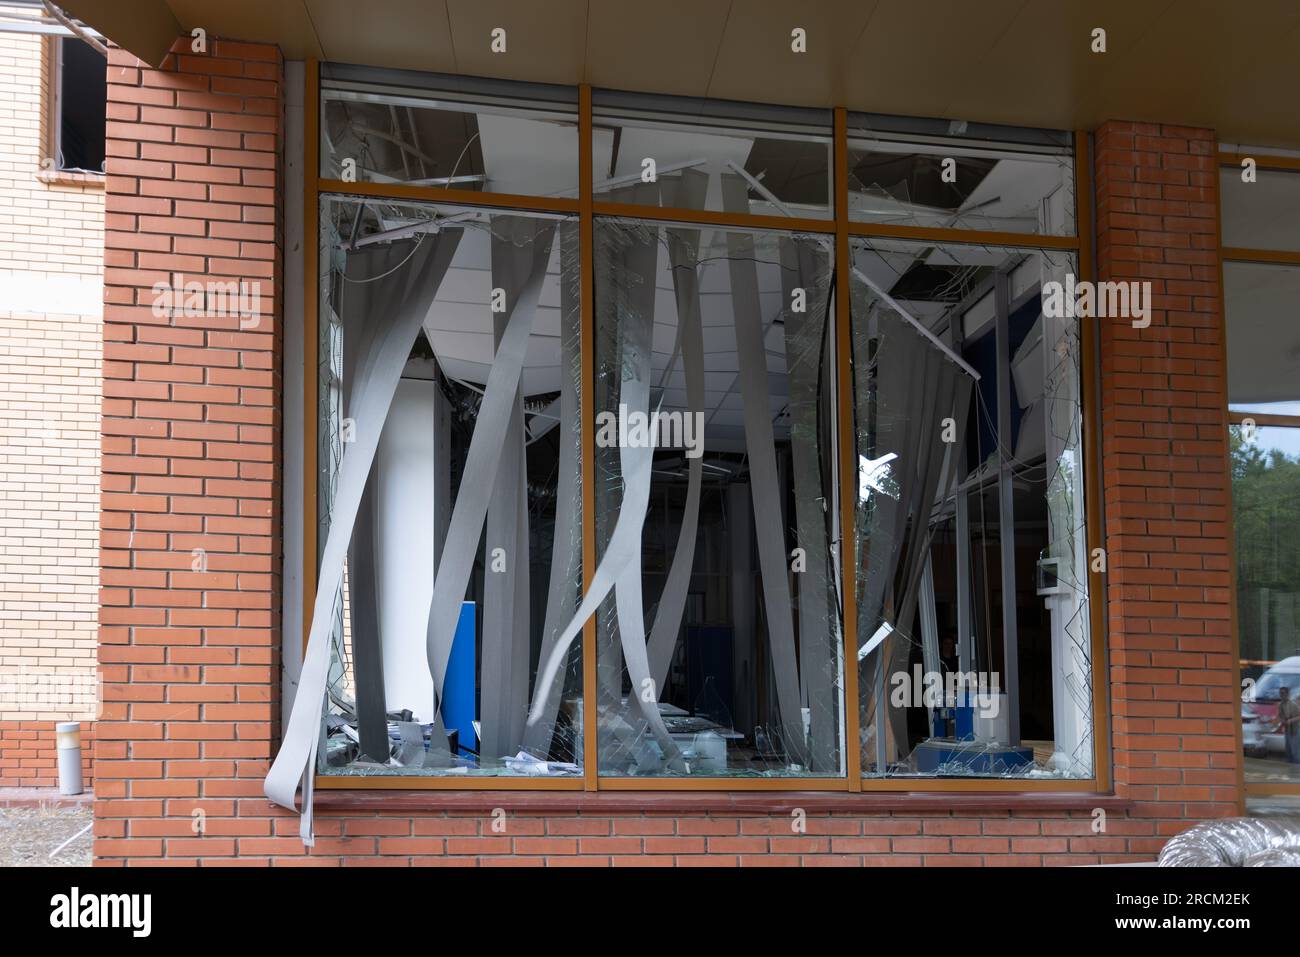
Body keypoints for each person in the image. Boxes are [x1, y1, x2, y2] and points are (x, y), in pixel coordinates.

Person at [1274, 686, 1300, 764]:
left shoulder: (1293, 704)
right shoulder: (1280, 705)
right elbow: (1279, 716)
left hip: (1295, 730)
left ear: (1288, 694)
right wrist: (1280, 720)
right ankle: (1290, 772)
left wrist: (1290, 720)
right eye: (1280, 693)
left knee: (1295, 752)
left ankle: (1297, 771)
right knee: (1288, 751)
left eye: (1283, 693)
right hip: (1287, 729)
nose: (1281, 695)